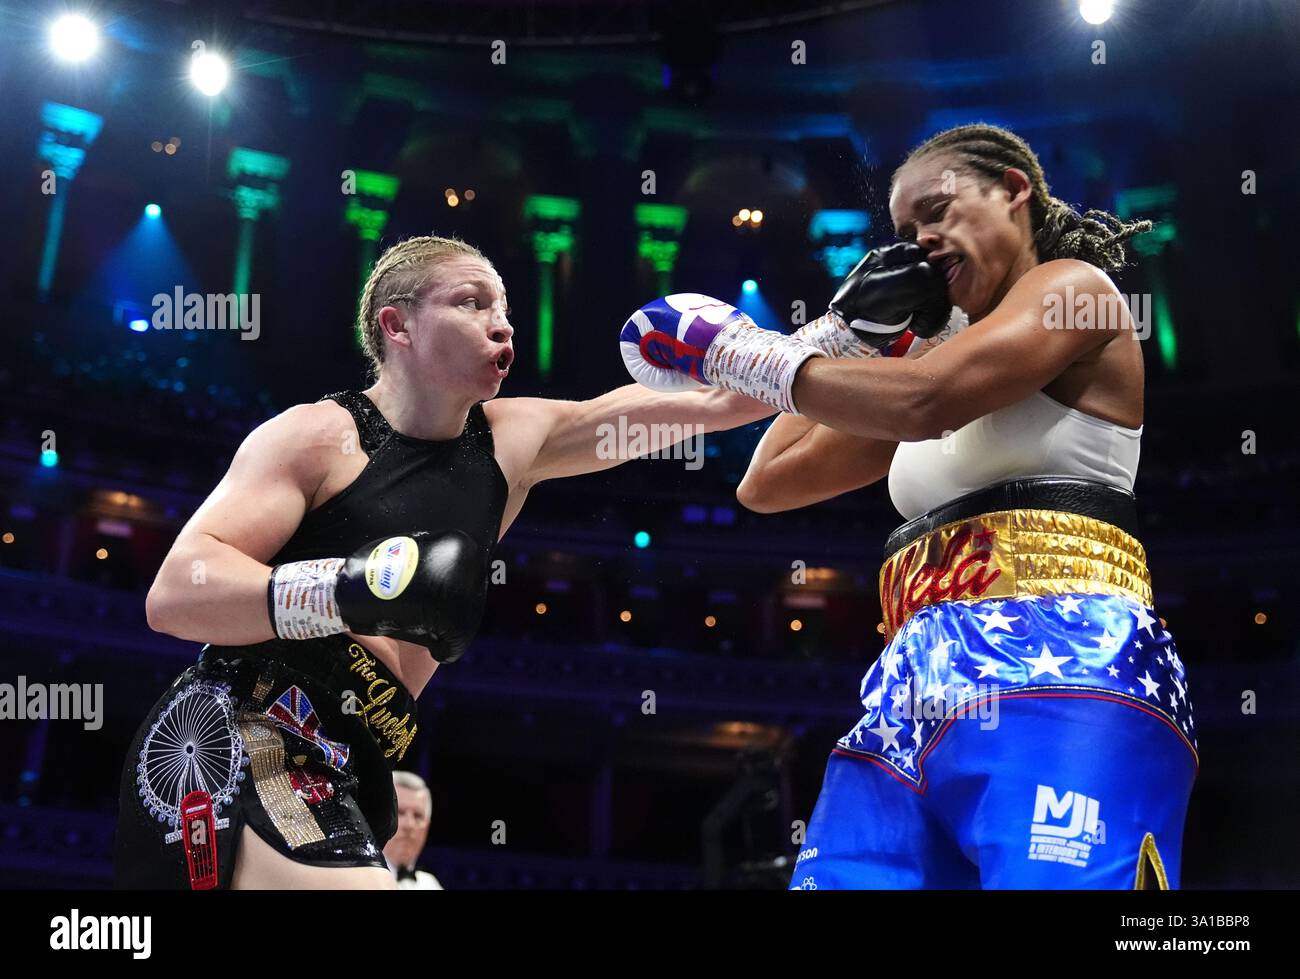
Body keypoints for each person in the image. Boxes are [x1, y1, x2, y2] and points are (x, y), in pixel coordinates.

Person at [113, 235, 779, 890]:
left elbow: (728, 401)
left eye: (505, 308)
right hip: (245, 727)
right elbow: (175, 593)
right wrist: (348, 590)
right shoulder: (318, 435)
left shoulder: (516, 441)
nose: (502, 324)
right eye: (472, 302)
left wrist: (823, 336)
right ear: (396, 325)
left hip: (353, 756)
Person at [627, 124, 1195, 889]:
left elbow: (929, 402)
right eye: (904, 230)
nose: (920, 238)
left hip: (1068, 666)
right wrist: (847, 333)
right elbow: (769, 479)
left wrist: (736, 351)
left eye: (937, 210)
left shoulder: (1077, 291)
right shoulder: (922, 362)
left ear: (1013, 191)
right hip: (914, 680)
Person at [385, 771, 442, 889]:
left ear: (427, 827)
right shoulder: (355, 879)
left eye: (417, 816)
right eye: (400, 812)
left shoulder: (430, 885)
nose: (409, 825)